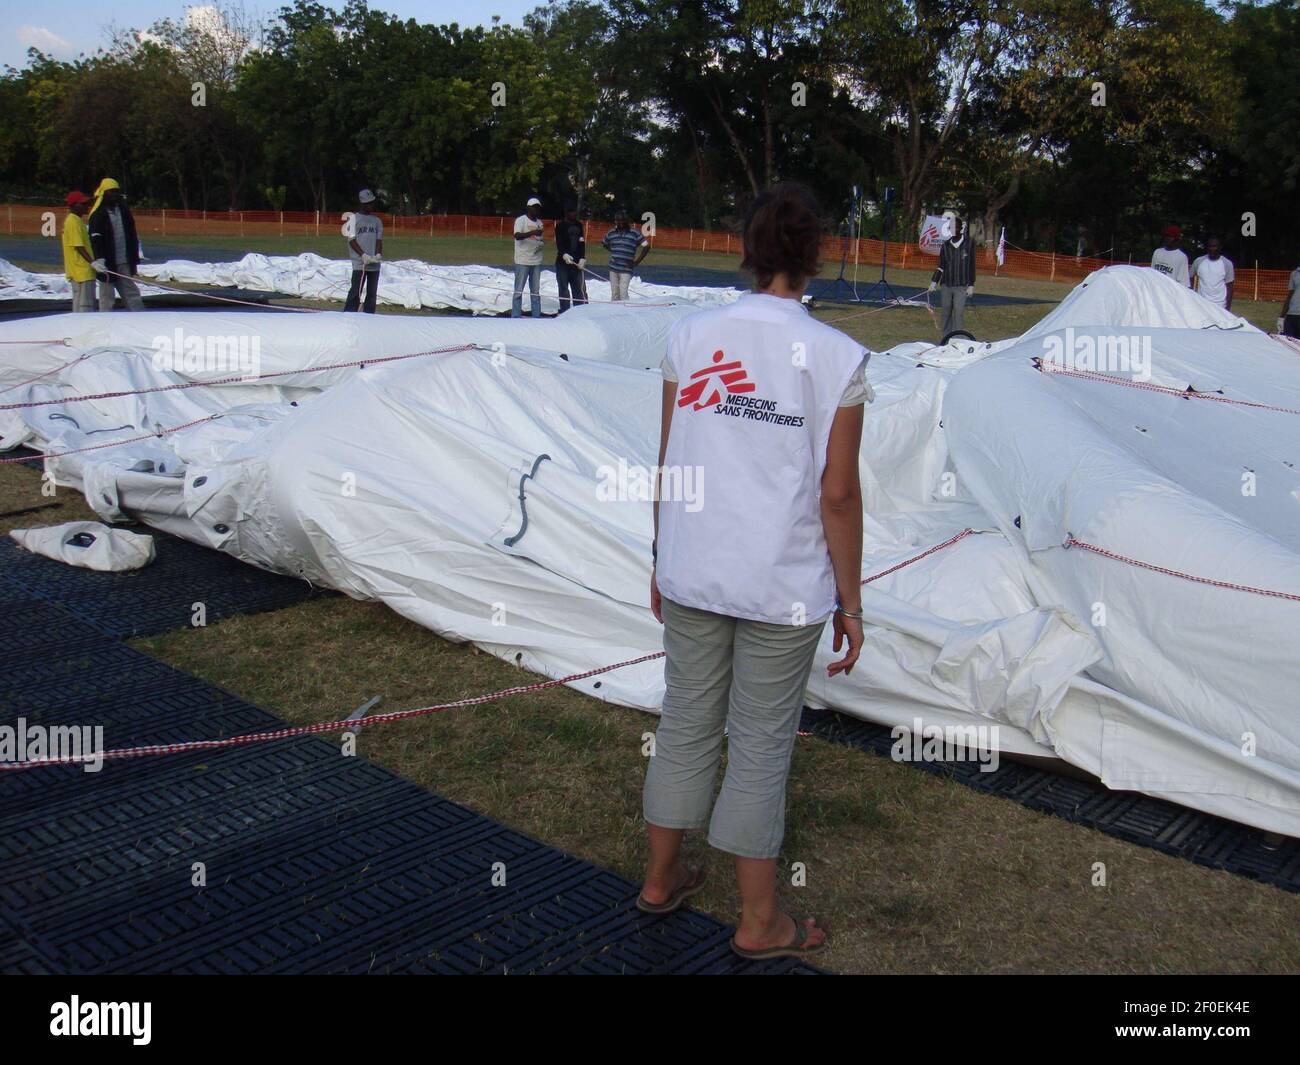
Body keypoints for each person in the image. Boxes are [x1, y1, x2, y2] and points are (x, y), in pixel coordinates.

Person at [641, 181, 868, 961]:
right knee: (762, 742)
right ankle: (759, 920)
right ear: (814, 256)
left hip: (695, 568)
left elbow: (670, 463)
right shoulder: (839, 357)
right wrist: (851, 598)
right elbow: (837, 493)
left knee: (686, 721)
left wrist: (659, 555)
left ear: (747, 249)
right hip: (782, 583)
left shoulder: (690, 335)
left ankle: (662, 878)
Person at [87, 178, 144, 311]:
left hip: (124, 261)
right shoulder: (98, 215)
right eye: (112, 192)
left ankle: (140, 318)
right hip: (107, 264)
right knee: (107, 297)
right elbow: (95, 239)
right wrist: (99, 259)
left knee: (132, 294)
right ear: (105, 194)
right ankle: (106, 323)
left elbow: (132, 236)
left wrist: (134, 260)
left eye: (117, 192)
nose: (115, 195)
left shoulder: (124, 212)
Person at [929, 211, 976, 338]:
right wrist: (934, 282)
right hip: (946, 284)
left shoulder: (970, 243)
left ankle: (959, 339)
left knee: (959, 312)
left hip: (962, 285)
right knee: (946, 312)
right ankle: (946, 338)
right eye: (951, 227)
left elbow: (972, 265)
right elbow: (941, 265)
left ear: (961, 229)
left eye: (956, 227)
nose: (954, 230)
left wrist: (971, 284)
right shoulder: (945, 246)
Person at [344, 188, 383, 313]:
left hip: (374, 263)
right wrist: (363, 255)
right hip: (360, 263)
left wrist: (378, 254)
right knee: (356, 291)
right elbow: (351, 240)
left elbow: (379, 240)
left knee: (372, 294)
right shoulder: (353, 219)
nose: (370, 205)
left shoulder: (377, 221)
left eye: (371, 203)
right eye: (368, 203)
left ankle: (369, 317)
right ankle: (349, 315)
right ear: (362, 203)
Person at [62, 191, 97, 313]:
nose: (87, 206)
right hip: (81, 272)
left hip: (82, 271)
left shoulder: (77, 221)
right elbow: (79, 246)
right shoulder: (73, 221)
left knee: (80, 307)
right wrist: (93, 262)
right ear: (74, 205)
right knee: (85, 307)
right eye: (83, 204)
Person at [602, 209, 648, 301]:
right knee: (615, 294)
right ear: (615, 222)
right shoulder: (611, 232)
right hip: (613, 268)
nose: (621, 223)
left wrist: (637, 262)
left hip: (626, 269)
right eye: (618, 221)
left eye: (622, 221)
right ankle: (614, 313)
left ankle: (624, 313)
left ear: (626, 221)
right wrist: (614, 250)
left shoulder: (634, 233)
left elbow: (646, 246)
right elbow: (604, 243)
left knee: (623, 294)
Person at [512, 196, 545, 318]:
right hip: (523, 260)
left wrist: (540, 243)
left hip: (536, 261)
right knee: (518, 291)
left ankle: (536, 317)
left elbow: (540, 239)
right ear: (529, 208)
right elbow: (517, 235)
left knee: (535, 292)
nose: (536, 210)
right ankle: (515, 316)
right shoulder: (521, 220)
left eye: (538, 208)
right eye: (534, 208)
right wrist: (532, 233)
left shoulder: (540, 223)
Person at [554, 202, 587, 312]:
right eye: (571, 212)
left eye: (575, 212)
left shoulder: (579, 225)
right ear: (567, 213)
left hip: (576, 264)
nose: (574, 214)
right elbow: (559, 243)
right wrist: (564, 254)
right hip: (563, 263)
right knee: (564, 289)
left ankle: (579, 311)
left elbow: (581, 242)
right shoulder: (560, 226)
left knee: (578, 289)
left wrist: (582, 257)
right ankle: (565, 311)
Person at [1190, 236, 1235, 311]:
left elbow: (1230, 286)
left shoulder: (1227, 264)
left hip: (1220, 306)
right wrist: (1192, 294)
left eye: (1214, 246)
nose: (1211, 249)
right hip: (1201, 304)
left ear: (1220, 247)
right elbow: (1190, 277)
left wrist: (1228, 307)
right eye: (1209, 246)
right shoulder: (1199, 261)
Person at [1280, 262, 1300, 338]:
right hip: (1292, 315)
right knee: (1287, 344)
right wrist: (1281, 317)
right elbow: (1290, 295)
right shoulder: (1295, 273)